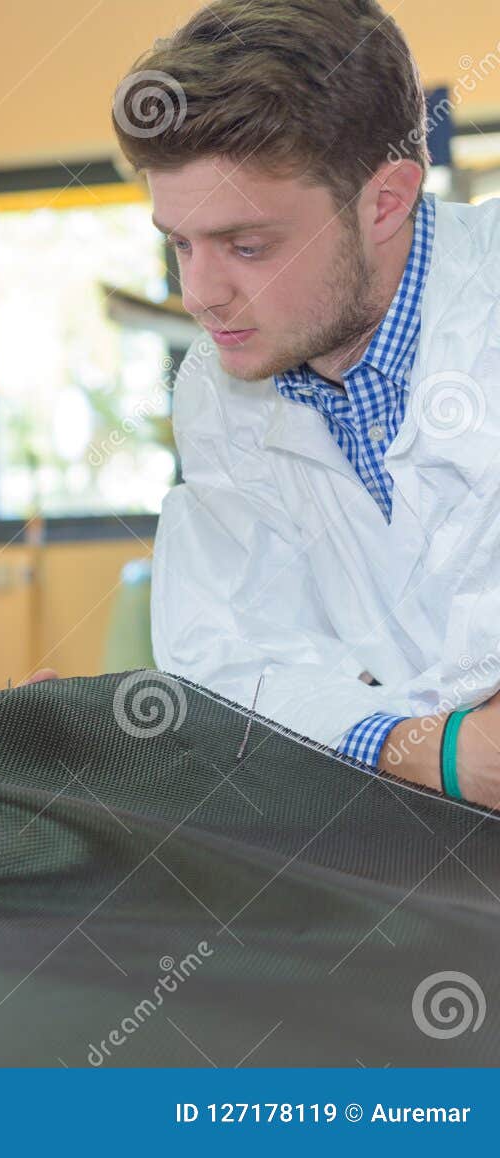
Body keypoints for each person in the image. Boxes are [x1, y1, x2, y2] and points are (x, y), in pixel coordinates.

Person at [114, 0, 500, 803]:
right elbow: (232, 660)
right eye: (179, 243)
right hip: (420, 835)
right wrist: (424, 747)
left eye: (247, 246)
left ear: (385, 200)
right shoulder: (218, 391)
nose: (200, 295)